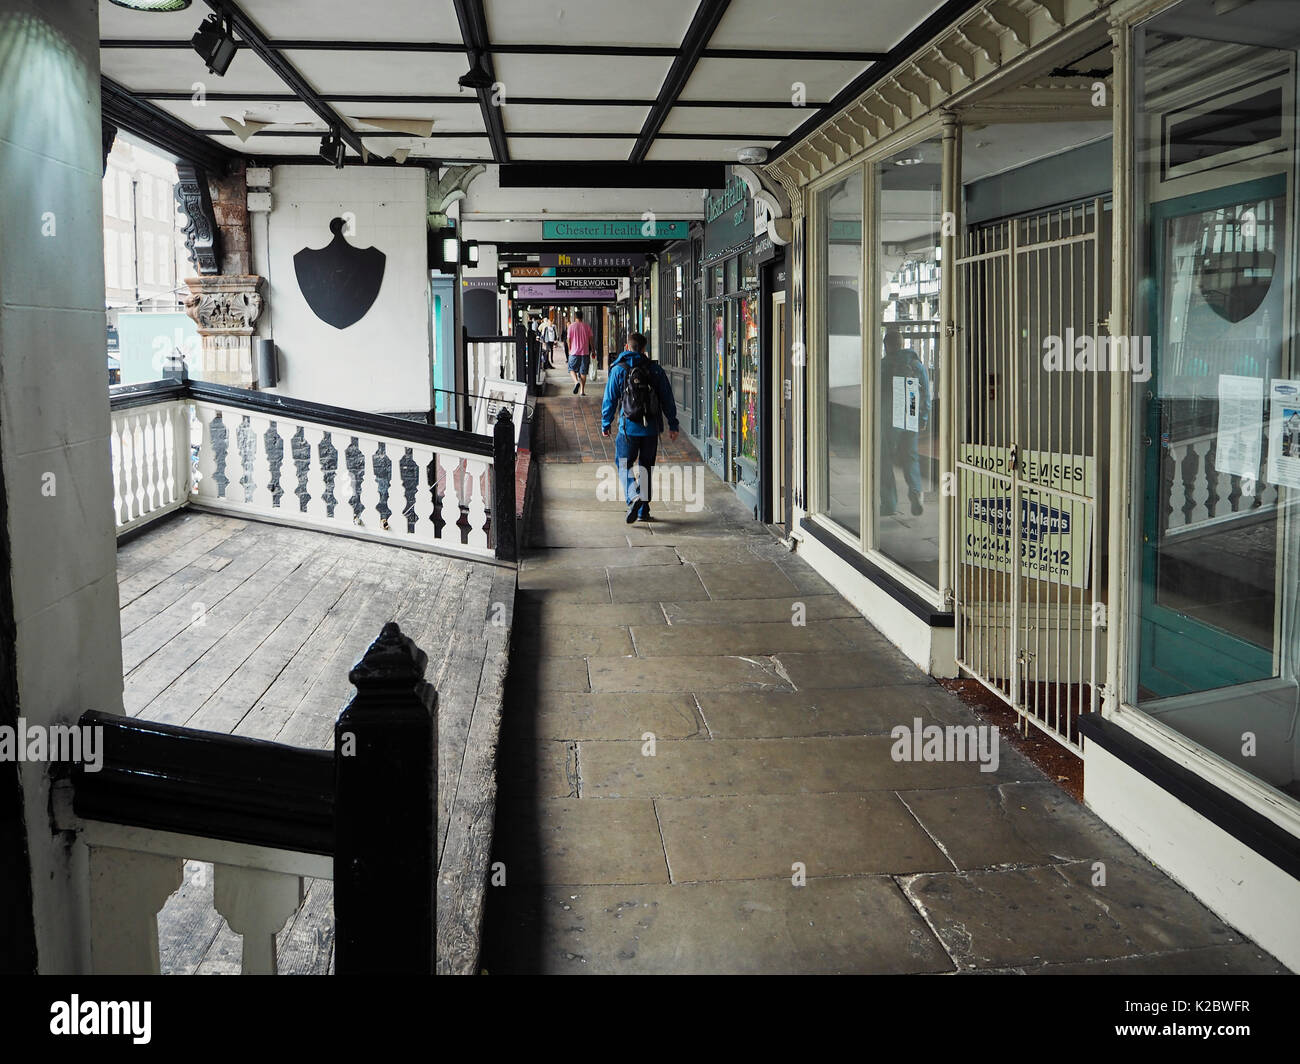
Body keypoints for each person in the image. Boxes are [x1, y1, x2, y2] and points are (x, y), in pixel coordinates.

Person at [601, 332, 679, 523]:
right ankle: (643, 509)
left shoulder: (619, 369)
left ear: (627, 347)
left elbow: (610, 399)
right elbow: (667, 398)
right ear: (644, 349)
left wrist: (606, 422)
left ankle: (633, 495)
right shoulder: (655, 369)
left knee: (623, 464)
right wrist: (673, 423)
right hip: (651, 429)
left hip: (627, 428)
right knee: (646, 467)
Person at [878, 328, 930, 517]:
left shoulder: (884, 365)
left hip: (890, 418)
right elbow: (926, 392)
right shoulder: (916, 364)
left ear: (887, 346)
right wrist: (924, 417)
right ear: (902, 344)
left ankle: (889, 503)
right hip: (911, 414)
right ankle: (915, 491)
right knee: (910, 456)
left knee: (884, 459)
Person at [566, 309, 594, 395]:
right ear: (582, 317)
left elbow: (568, 340)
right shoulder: (587, 326)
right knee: (583, 372)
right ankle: (582, 391)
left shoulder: (571, 326)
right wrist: (593, 350)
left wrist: (569, 349)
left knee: (571, 368)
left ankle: (576, 382)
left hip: (574, 352)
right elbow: (591, 340)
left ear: (575, 317)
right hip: (585, 352)